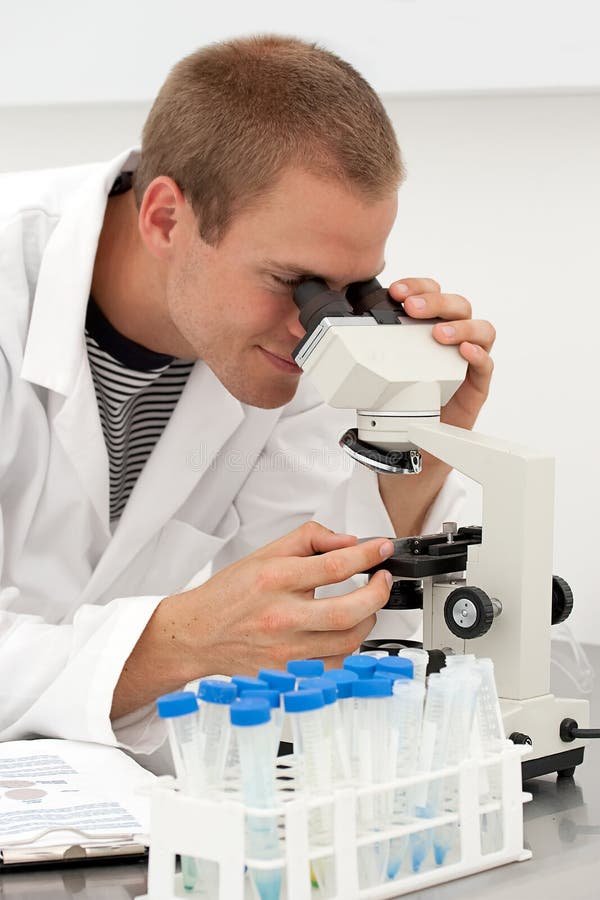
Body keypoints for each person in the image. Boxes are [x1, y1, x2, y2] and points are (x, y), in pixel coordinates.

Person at [0, 35, 494, 764]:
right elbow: (203, 647)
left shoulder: (283, 347)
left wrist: (414, 452)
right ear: (167, 218)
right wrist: (172, 642)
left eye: (348, 289)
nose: (317, 324)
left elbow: (303, 655)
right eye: (290, 280)